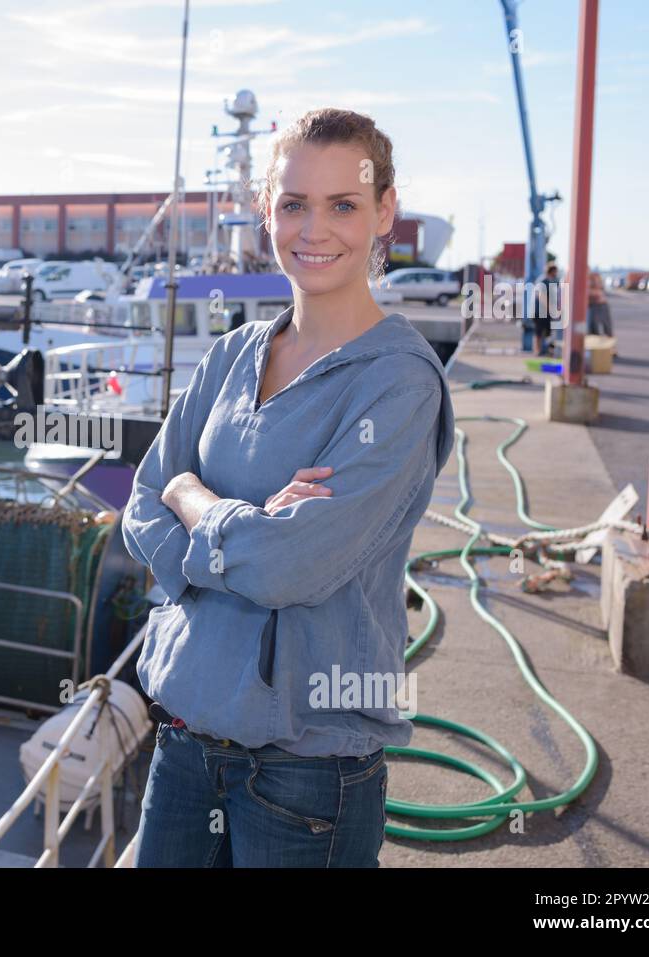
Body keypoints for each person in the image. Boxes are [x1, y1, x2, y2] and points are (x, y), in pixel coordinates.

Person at [121, 108, 455, 868]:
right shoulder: (234, 352)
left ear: (385, 213)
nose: (316, 229)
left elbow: (288, 568)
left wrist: (197, 500)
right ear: (268, 210)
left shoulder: (397, 384)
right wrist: (244, 527)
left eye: (344, 205)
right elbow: (142, 501)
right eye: (295, 203)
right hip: (182, 740)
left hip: (306, 773)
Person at [533, 263, 560, 357]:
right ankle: (538, 350)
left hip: (548, 312)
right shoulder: (542, 281)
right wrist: (551, 309)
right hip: (539, 311)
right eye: (555, 271)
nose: (556, 273)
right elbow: (541, 296)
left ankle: (548, 351)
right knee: (539, 332)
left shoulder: (554, 281)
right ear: (551, 271)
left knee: (549, 332)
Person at [587, 270, 613, 337]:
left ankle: (607, 338)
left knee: (605, 325)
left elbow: (598, 293)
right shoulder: (589, 277)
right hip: (592, 305)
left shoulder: (593, 276)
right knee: (593, 326)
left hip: (599, 305)